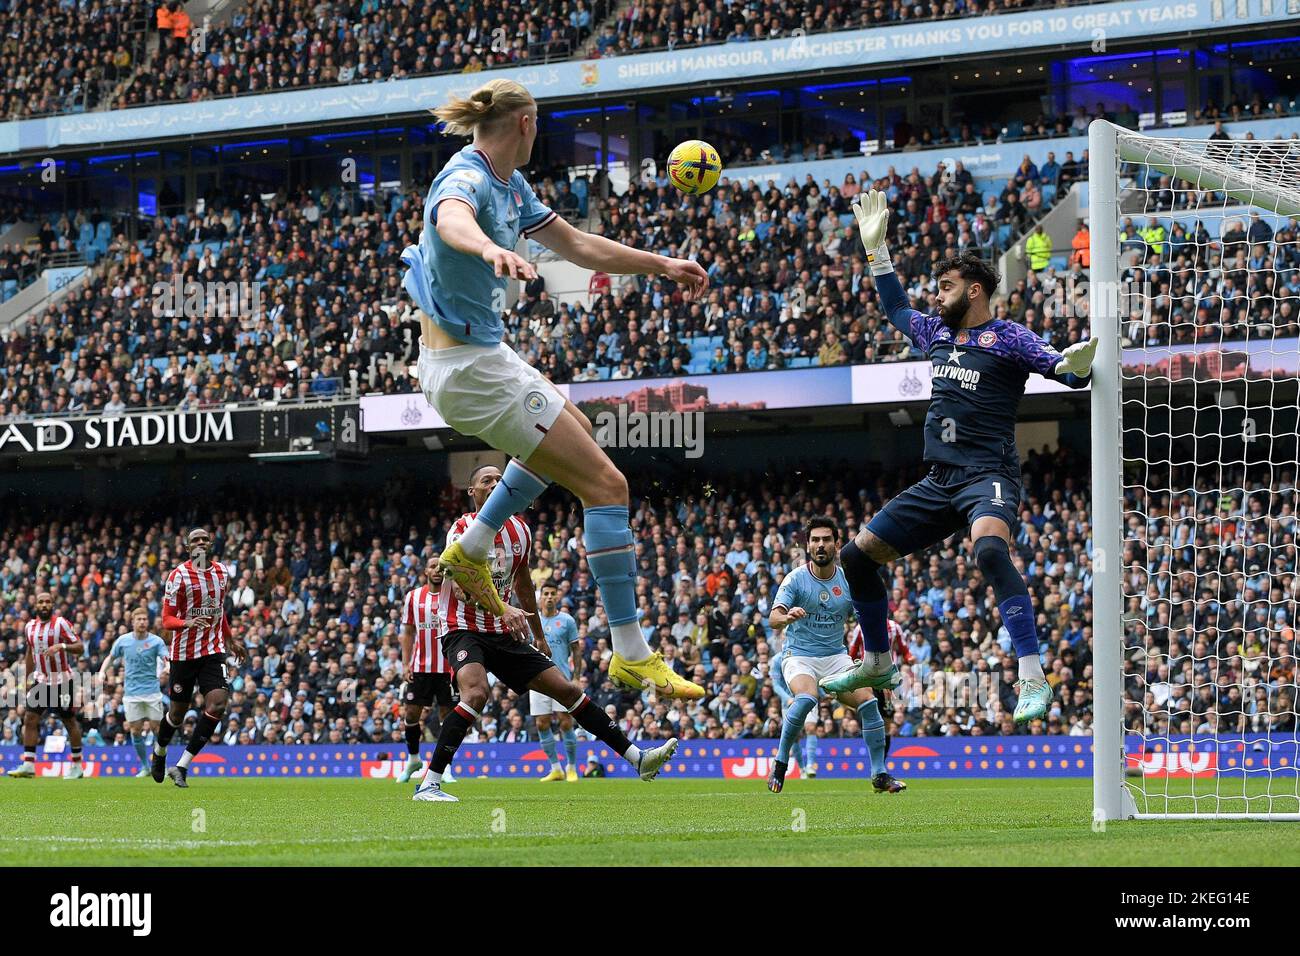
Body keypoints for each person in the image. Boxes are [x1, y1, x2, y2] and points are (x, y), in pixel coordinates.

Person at [400, 78, 707, 702]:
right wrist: (490, 250)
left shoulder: (512, 187)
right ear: (527, 124)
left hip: (481, 358)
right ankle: (631, 652)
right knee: (607, 484)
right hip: (470, 370)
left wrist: (662, 264)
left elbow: (579, 245)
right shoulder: (469, 177)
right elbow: (449, 219)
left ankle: (475, 542)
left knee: (581, 433)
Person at [822, 191, 1097, 726]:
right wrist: (877, 253)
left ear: (973, 289)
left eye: (945, 286)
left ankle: (1034, 677)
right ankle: (878, 661)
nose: (936, 294)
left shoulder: (1008, 337)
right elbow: (898, 308)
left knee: (990, 553)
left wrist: (1079, 365)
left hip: (988, 474)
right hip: (939, 480)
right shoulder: (937, 333)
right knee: (856, 558)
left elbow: (1060, 369)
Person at [412, 465, 677, 802]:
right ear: (472, 492)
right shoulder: (461, 530)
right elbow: (463, 583)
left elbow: (524, 584)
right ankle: (429, 784)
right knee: (476, 694)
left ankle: (637, 759)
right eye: (486, 481)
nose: (494, 484)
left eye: (499, 480)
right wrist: (503, 609)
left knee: (566, 690)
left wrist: (538, 635)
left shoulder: (520, 530)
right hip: (462, 627)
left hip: (502, 632)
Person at [765, 518, 904, 795]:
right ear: (807, 545)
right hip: (800, 656)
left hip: (836, 657)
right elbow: (772, 618)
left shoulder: (848, 580)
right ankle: (780, 761)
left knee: (868, 702)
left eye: (826, 539)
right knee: (806, 698)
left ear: (837, 544)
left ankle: (879, 774)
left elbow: (868, 616)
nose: (820, 545)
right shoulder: (795, 579)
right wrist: (787, 616)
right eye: (815, 539)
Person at [152, 528, 247, 788]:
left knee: (217, 704)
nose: (201, 543)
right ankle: (159, 751)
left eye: (205, 539)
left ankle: (181, 766)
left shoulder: (222, 573)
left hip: (213, 651)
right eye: (196, 540)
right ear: (188, 547)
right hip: (183, 654)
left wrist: (229, 640)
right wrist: (188, 622)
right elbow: (167, 620)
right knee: (177, 714)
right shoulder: (178, 576)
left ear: (211, 544)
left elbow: (219, 612)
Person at [8, 592, 85, 779]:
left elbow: (80, 647)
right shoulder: (29, 627)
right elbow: (29, 653)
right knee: (30, 719)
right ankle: (28, 764)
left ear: (52, 604)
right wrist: (26, 679)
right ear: (36, 605)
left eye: (47, 602)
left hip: (62, 681)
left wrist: (62, 647)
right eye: (41, 601)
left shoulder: (61, 624)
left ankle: (77, 766)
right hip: (40, 680)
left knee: (69, 721)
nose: (44, 605)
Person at [396, 558, 458, 784]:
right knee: (411, 714)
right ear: (425, 571)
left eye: (441, 567)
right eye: (433, 566)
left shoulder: (453, 594)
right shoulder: (413, 597)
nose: (437, 571)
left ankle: (446, 767)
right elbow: (409, 632)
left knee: (448, 718)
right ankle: (413, 759)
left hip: (447, 667)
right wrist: (405, 664)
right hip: (420, 668)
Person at [99, 607, 169, 777]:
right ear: (132, 622)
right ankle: (145, 767)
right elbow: (111, 657)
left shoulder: (156, 641)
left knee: (157, 730)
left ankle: (160, 767)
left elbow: (166, 658)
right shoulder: (123, 641)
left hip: (152, 692)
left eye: (145, 619)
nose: (142, 622)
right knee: (135, 731)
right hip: (131, 693)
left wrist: (167, 667)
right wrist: (102, 671)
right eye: (139, 619)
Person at [532, 582, 582, 782]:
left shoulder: (567, 621)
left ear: (558, 597)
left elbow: (576, 650)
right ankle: (556, 769)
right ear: (540, 597)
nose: (550, 597)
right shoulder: (532, 621)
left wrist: (576, 676)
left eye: (553, 594)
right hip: (536, 679)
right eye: (546, 594)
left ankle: (571, 767)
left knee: (565, 721)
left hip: (561, 678)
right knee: (542, 723)